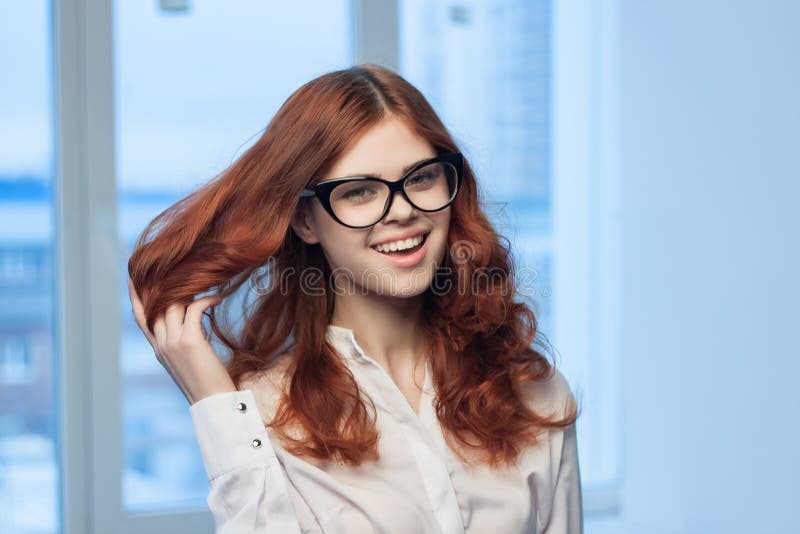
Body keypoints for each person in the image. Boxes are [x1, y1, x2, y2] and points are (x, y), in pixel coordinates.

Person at [127, 64, 582, 534]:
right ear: (305, 221)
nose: (403, 210)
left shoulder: (534, 394)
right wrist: (213, 402)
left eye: (422, 178)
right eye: (359, 191)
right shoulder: (259, 418)